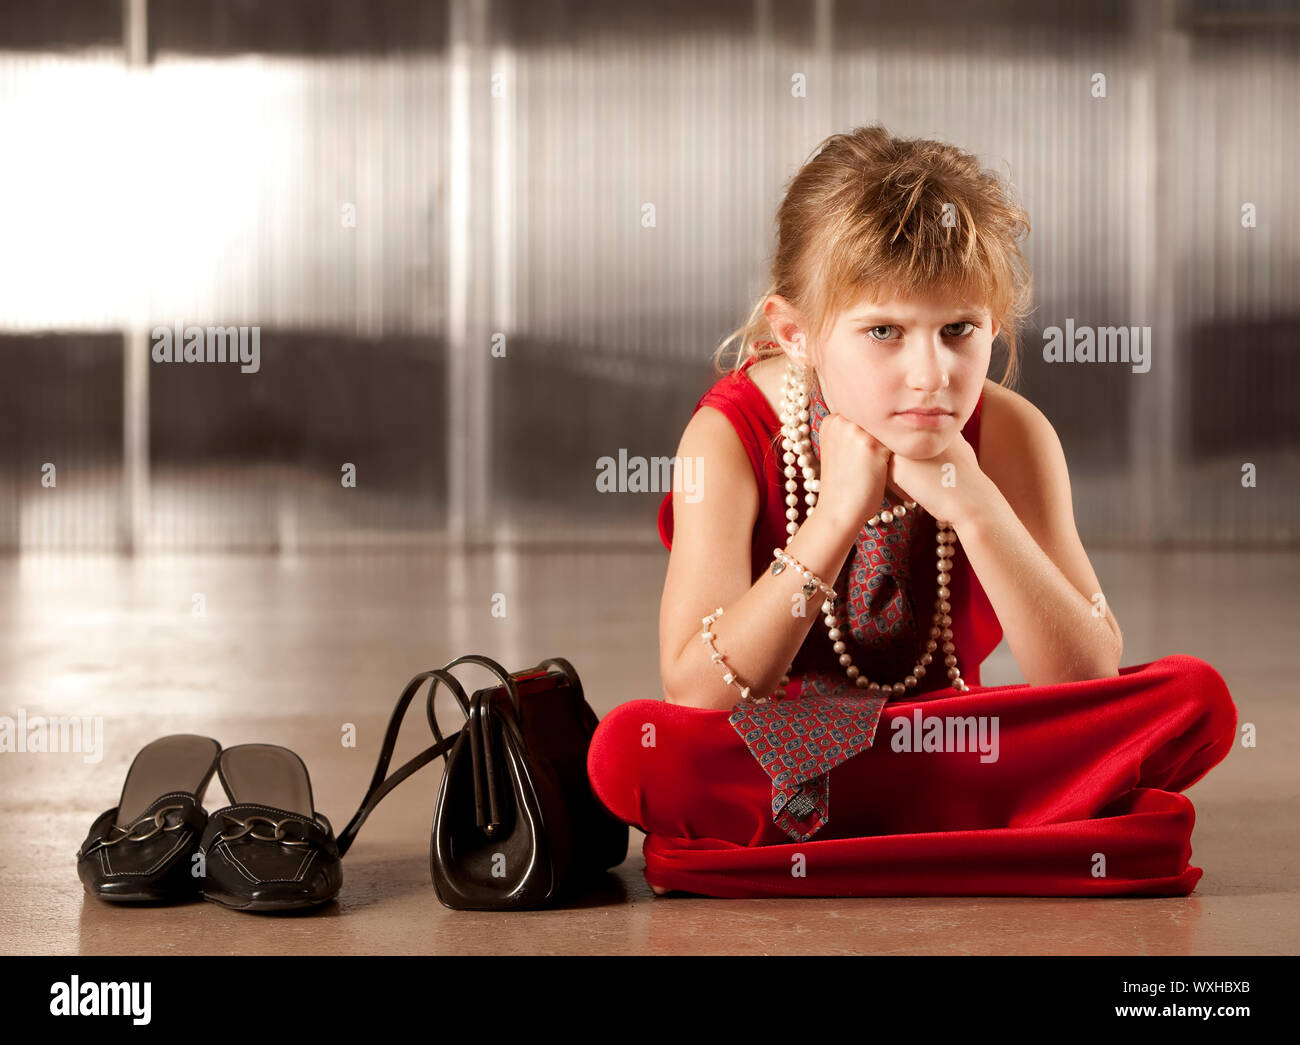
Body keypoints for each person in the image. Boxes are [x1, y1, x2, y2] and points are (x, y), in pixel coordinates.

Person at [586, 124, 1237, 898]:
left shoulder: (1013, 435)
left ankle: (799, 847)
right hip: (787, 748)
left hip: (953, 737)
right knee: (632, 748)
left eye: (958, 329)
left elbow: (1085, 674)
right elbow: (696, 692)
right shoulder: (726, 436)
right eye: (884, 331)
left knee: (1194, 698)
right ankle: (1010, 827)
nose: (930, 374)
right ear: (796, 333)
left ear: (993, 325)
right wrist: (833, 519)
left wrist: (977, 506)